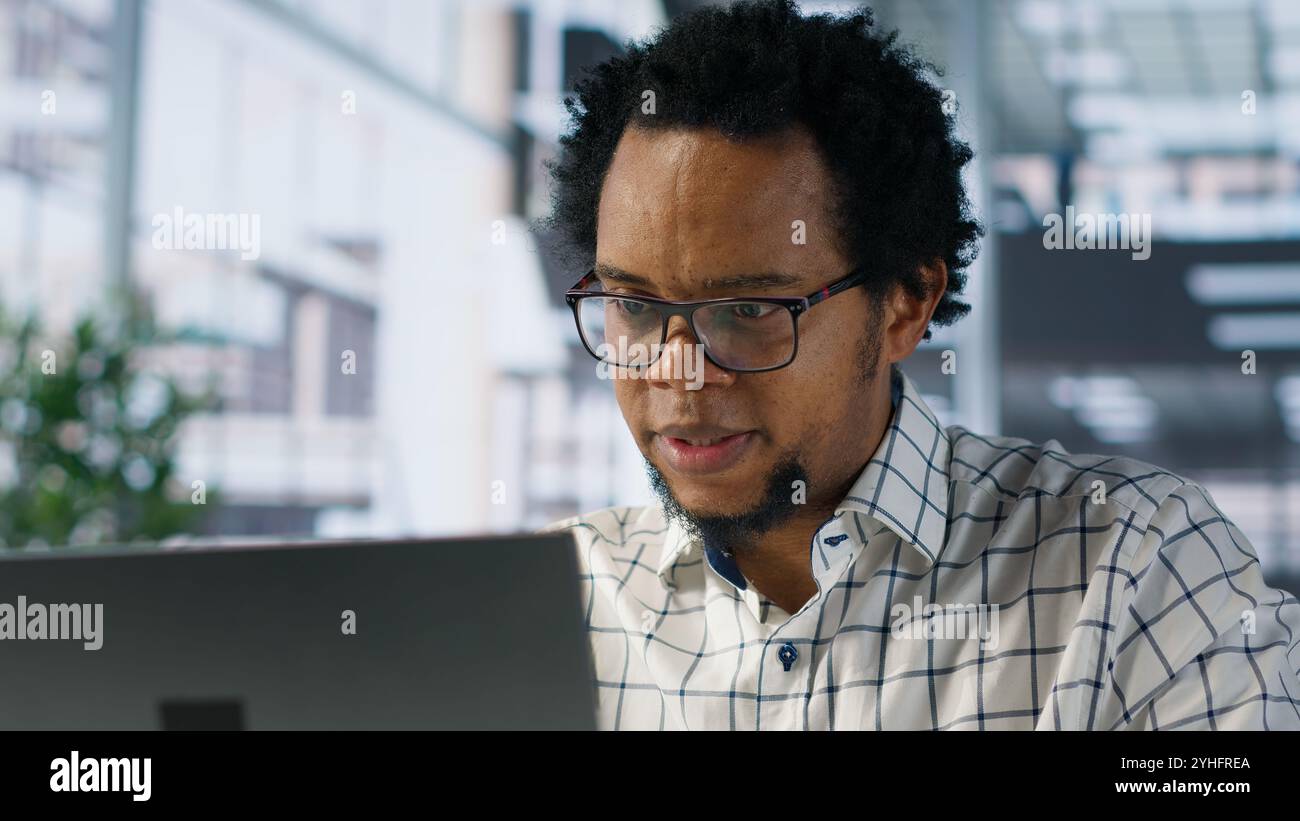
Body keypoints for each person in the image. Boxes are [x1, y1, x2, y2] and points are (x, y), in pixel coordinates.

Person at [540, 0, 1300, 730]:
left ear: (905, 302)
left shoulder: (1136, 568)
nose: (678, 373)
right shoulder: (553, 598)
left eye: (747, 309)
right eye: (634, 305)